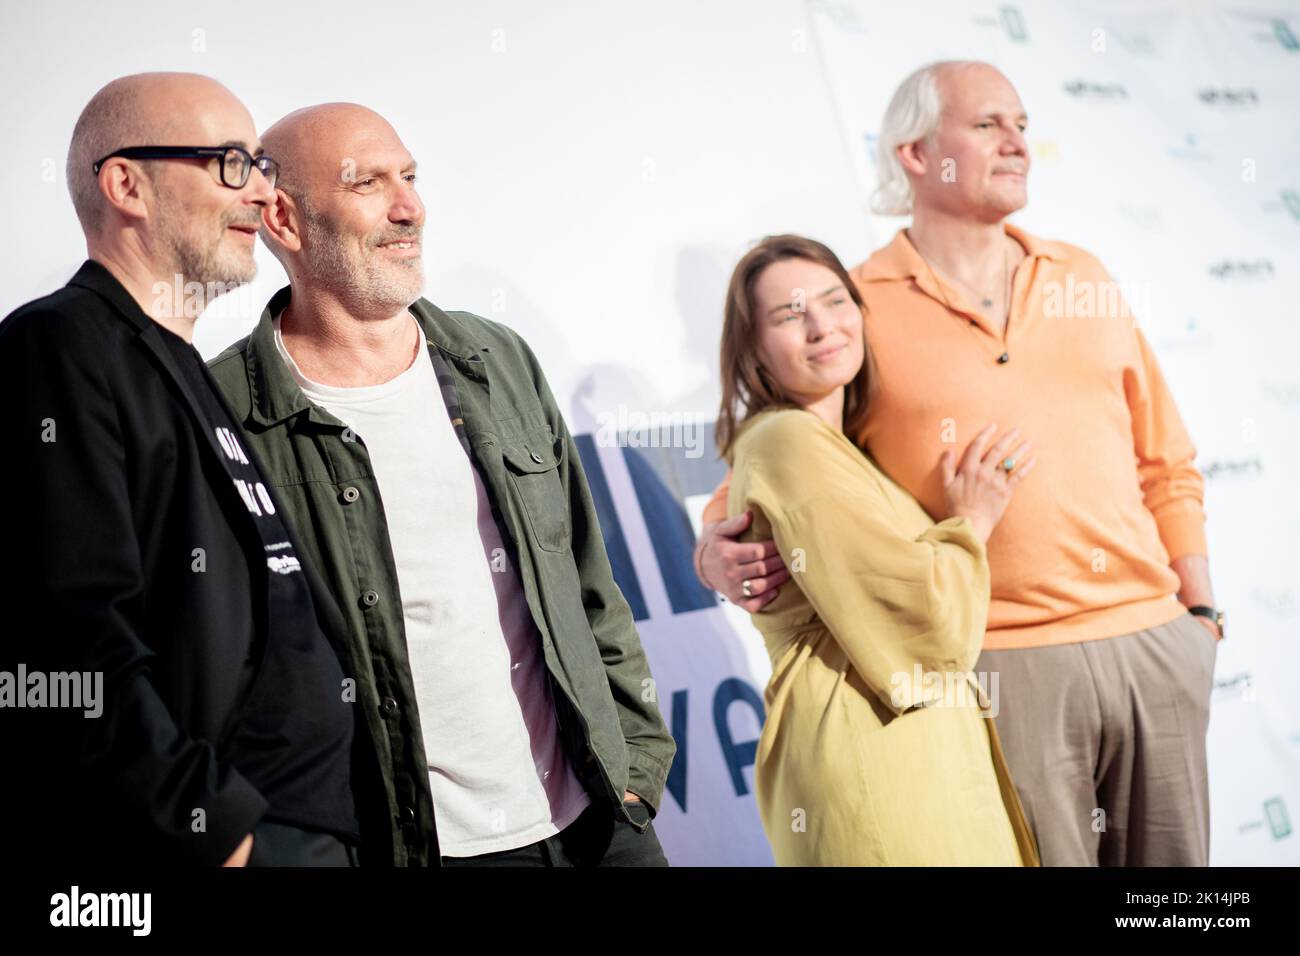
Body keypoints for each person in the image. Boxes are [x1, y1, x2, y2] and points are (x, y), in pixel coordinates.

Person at [696, 62, 1219, 866]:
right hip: (1003, 664)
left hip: (1154, 644)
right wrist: (711, 546)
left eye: (1019, 122)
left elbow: (1167, 458)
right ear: (913, 154)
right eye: (986, 126)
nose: (1017, 142)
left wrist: (1201, 616)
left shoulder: (1083, 275)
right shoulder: (854, 305)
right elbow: (771, 470)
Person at [206, 103, 676, 866]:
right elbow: (224, 670)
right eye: (367, 183)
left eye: (411, 177)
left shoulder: (496, 359)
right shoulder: (223, 414)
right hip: (420, 848)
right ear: (284, 220)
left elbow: (591, 582)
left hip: (599, 822)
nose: (408, 207)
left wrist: (635, 770)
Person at [0, 73, 372, 866]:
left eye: (263, 166)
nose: (258, 194)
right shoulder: (57, 345)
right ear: (126, 183)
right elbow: (66, 635)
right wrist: (214, 829)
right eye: (231, 163)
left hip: (308, 829)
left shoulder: (182, 365)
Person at [717, 233, 1039, 865]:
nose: (822, 327)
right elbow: (923, 618)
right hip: (874, 755)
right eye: (789, 315)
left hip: (913, 749)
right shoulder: (788, 442)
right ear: (753, 348)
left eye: (836, 301)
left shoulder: (834, 446)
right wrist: (971, 519)